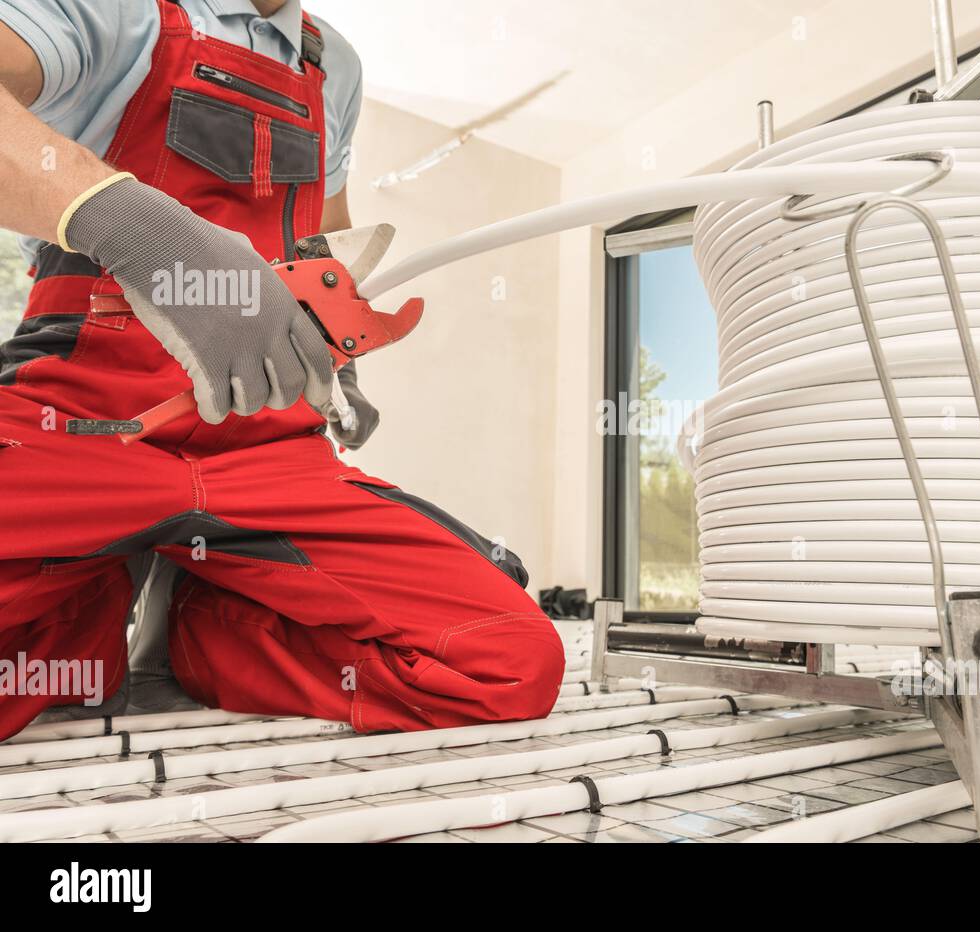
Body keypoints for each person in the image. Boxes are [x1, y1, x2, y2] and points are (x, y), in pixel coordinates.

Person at [0, 0, 564, 740]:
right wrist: (145, 234)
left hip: (263, 445)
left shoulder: (334, 64)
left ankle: (199, 629)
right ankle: (77, 609)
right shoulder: (116, 9)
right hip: (78, 425)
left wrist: (334, 356)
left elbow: (321, 236)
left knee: (508, 662)